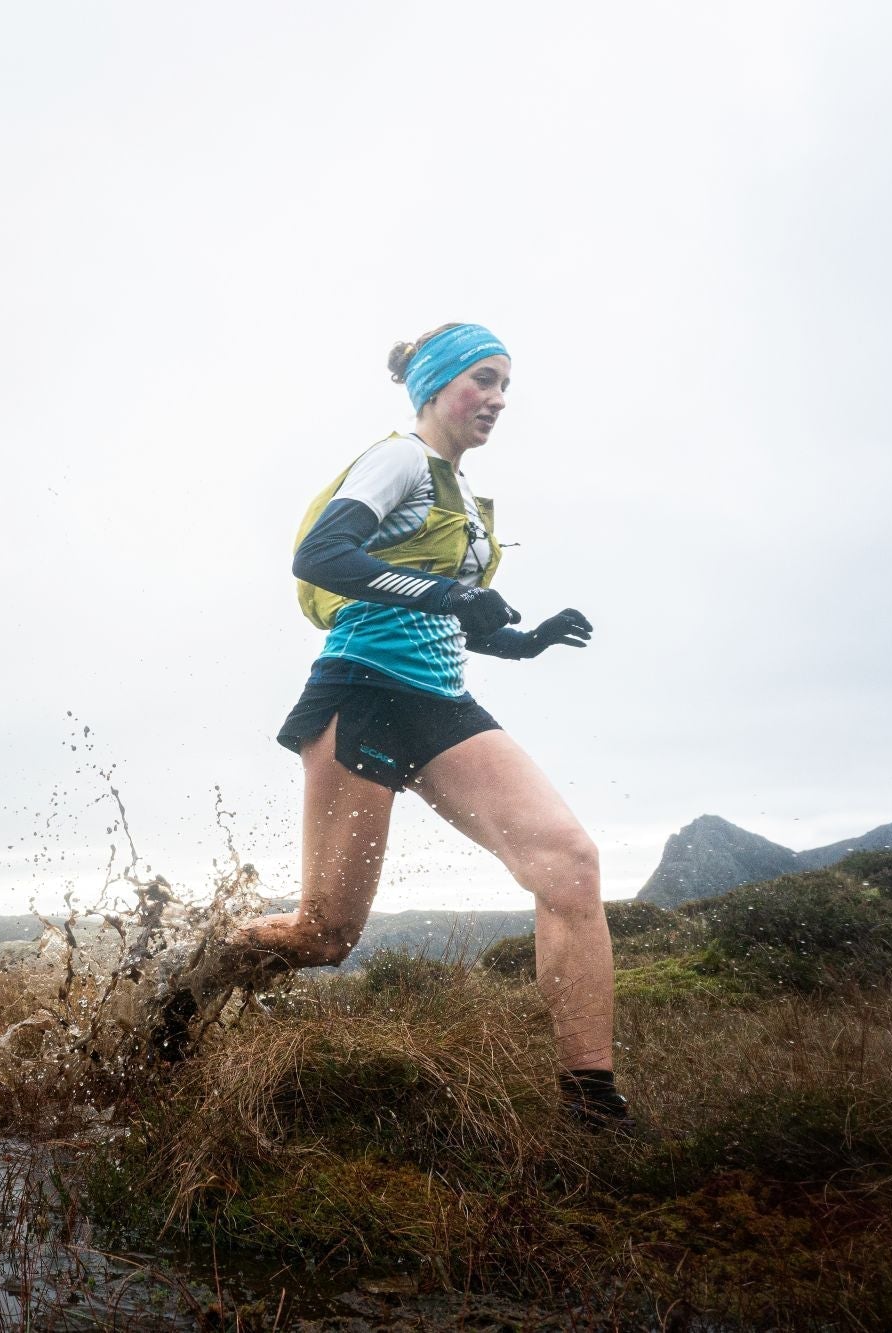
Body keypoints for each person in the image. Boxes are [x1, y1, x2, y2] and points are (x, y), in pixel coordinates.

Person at [157, 322, 637, 1133]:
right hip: (363, 692)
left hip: (443, 705)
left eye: (506, 385)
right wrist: (452, 596)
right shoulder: (399, 459)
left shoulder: (466, 504)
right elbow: (321, 555)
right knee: (324, 934)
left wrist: (524, 638)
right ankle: (176, 994)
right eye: (483, 379)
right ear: (438, 385)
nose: (497, 399)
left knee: (570, 865)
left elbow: (459, 618)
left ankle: (591, 1102)